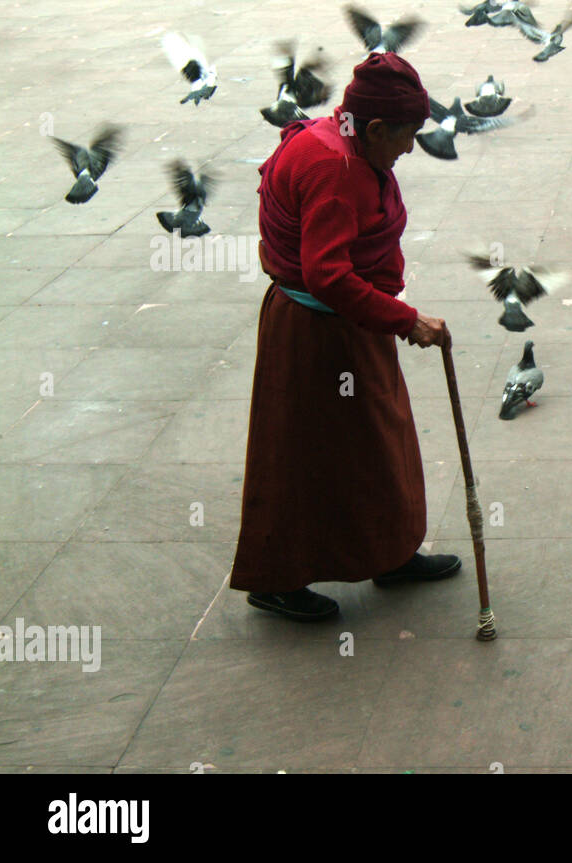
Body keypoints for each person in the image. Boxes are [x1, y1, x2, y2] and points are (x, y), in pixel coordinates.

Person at [230, 52, 460, 621]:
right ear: (377, 127)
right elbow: (327, 275)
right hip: (316, 336)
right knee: (300, 453)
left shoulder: (343, 135)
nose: (410, 150)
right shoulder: (334, 170)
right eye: (406, 138)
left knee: (377, 443)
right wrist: (409, 321)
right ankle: (275, 578)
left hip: (351, 327)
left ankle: (388, 552)